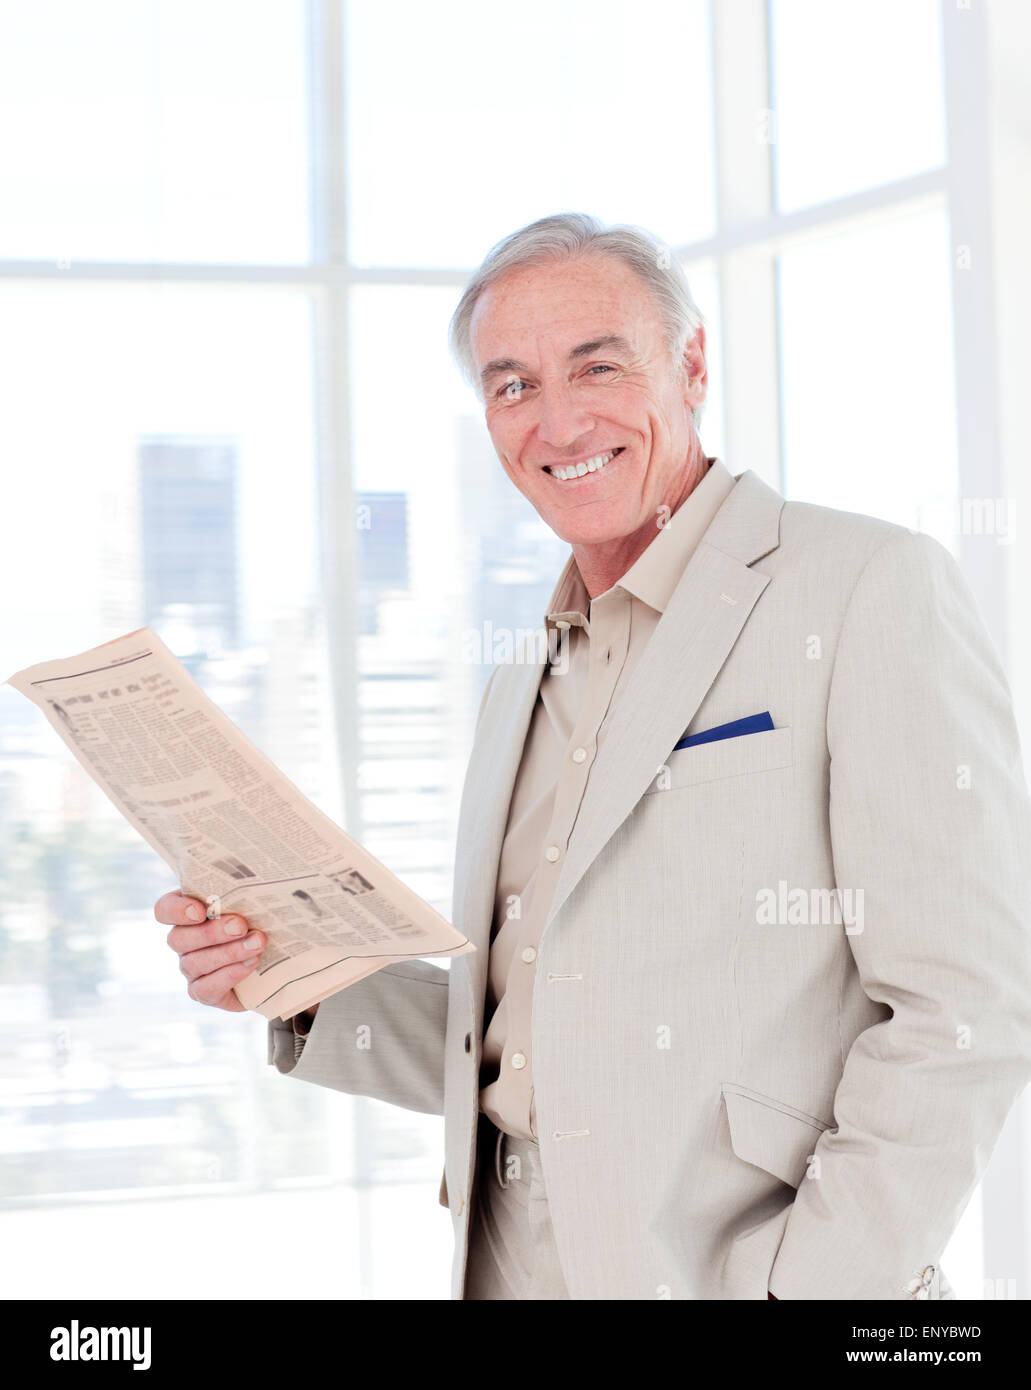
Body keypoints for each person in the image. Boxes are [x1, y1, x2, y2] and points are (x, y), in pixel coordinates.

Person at [156, 213, 1031, 1300]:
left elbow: (966, 1005)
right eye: (511, 384)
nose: (557, 419)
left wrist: (811, 1288)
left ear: (692, 364)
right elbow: (517, 1035)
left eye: (597, 365)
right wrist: (289, 977)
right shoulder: (517, 677)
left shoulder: (863, 588)